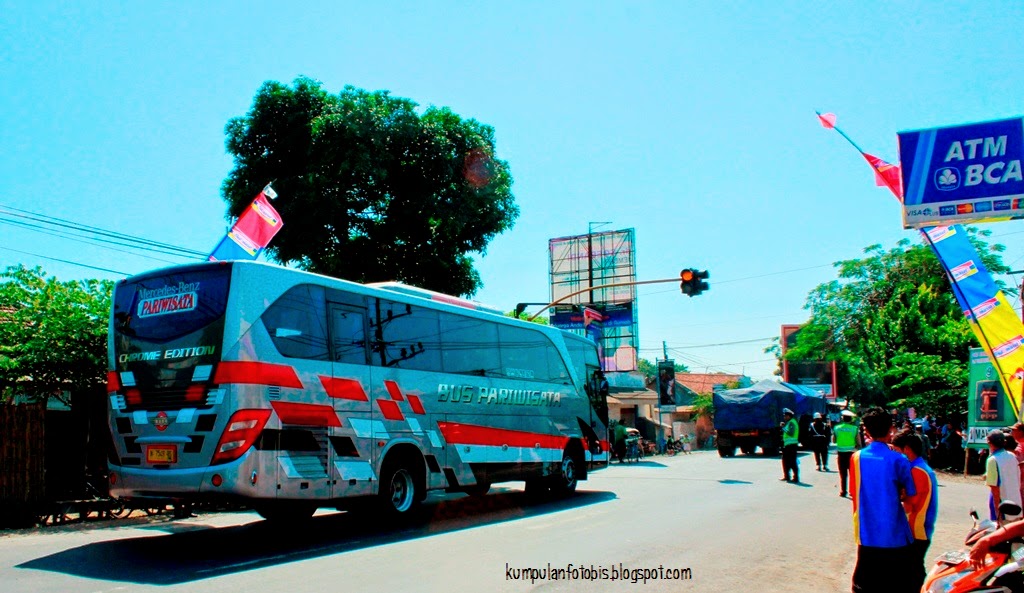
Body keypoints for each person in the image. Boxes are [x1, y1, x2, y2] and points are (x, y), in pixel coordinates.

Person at [849, 407, 917, 593]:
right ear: (890, 430)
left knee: (864, 586)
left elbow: (854, 495)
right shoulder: (900, 460)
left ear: (866, 431)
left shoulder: (856, 458)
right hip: (895, 536)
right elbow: (910, 497)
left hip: (867, 535)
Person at [892, 428, 938, 592]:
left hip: (917, 530)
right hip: (920, 529)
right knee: (914, 570)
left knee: (912, 573)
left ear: (906, 449)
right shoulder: (921, 467)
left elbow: (910, 506)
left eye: (896, 450)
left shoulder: (916, 471)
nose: (895, 454)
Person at [985, 429, 1022, 522]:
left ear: (989, 443)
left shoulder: (993, 460)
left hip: (1003, 506)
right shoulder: (1012, 456)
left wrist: (998, 513)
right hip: (1016, 503)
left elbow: (995, 488)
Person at [834, 410, 861, 498]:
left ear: (842, 418)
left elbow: (834, 440)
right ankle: (852, 491)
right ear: (850, 419)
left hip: (841, 453)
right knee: (852, 473)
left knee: (843, 473)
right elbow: (858, 442)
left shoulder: (837, 428)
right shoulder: (855, 428)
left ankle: (843, 491)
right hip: (851, 453)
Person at [780, 408, 800, 483]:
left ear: (789, 416)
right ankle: (787, 476)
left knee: (792, 461)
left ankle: (795, 477)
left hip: (791, 446)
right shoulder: (789, 423)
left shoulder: (792, 422)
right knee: (785, 461)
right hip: (787, 445)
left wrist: (783, 428)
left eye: (785, 416)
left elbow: (790, 433)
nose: (784, 417)